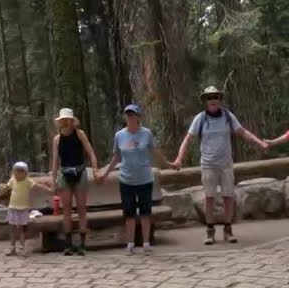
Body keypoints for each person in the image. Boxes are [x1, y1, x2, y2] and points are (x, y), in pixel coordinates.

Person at [169, 86, 268, 245]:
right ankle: (210, 230)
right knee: (209, 198)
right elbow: (188, 140)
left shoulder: (228, 117)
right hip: (208, 165)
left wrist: (259, 142)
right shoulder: (200, 119)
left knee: (228, 196)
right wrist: (179, 158)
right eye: (209, 97)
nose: (213, 100)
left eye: (215, 97)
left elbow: (242, 132)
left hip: (226, 164)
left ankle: (228, 229)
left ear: (220, 100)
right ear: (205, 102)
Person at [97, 104, 171, 256]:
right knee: (129, 213)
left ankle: (146, 243)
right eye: (128, 115)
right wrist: (105, 173)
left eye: (133, 114)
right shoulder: (119, 135)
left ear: (138, 117)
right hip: (126, 180)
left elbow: (154, 151)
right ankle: (130, 243)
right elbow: (116, 157)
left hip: (144, 179)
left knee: (145, 212)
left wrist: (169, 163)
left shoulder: (146, 134)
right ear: (125, 117)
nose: (130, 117)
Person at [48, 108, 98, 256]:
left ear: (71, 120)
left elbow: (90, 152)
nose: (64, 122)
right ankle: (68, 244)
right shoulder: (57, 139)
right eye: (62, 120)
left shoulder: (80, 134)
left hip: (80, 172)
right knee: (67, 210)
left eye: (66, 119)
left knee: (82, 208)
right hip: (65, 173)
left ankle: (82, 244)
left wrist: (95, 170)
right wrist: (53, 180)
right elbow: (56, 161)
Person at [0, 161, 40, 256]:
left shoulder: (28, 181)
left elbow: (38, 187)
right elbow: (6, 189)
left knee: (21, 229)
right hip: (13, 208)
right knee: (12, 228)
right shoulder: (12, 180)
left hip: (23, 209)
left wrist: (49, 191)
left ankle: (22, 247)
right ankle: (12, 248)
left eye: (20, 172)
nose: (17, 174)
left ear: (25, 173)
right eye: (15, 172)